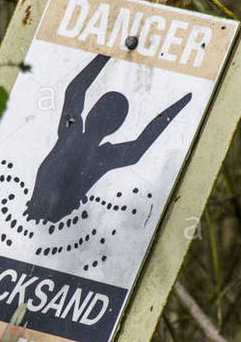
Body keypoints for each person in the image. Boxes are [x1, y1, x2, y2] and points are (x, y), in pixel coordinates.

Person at [24, 53, 191, 223]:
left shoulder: (84, 140)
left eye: (102, 112)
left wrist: (107, 53)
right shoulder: (75, 131)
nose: (99, 114)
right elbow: (74, 90)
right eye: (101, 108)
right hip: (43, 202)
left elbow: (75, 90)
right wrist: (106, 53)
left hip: (55, 210)